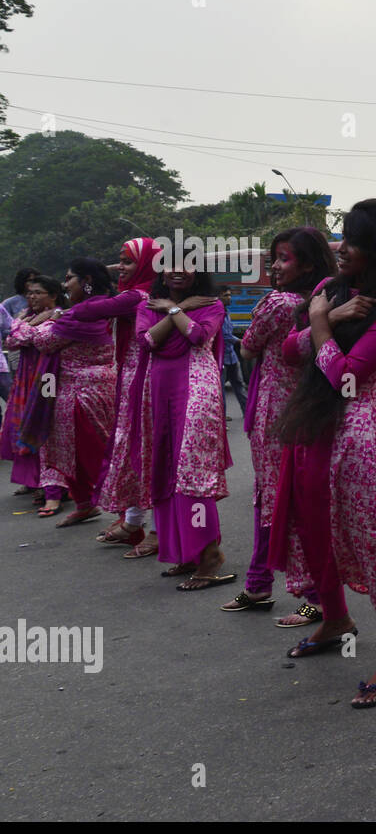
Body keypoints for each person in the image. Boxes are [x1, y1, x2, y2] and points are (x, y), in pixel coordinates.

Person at [269, 199, 376, 709]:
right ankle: (335, 619)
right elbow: (287, 352)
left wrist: (319, 324)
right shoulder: (330, 292)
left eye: (354, 242)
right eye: (343, 236)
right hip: (316, 430)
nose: (343, 248)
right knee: (315, 530)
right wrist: (329, 315)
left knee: (375, 540)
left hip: (359, 433)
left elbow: (344, 378)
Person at [219, 227, 330, 622]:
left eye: (285, 259)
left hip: (276, 413)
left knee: (280, 502)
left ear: (308, 264)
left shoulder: (278, 303)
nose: (276, 266)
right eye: (274, 258)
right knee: (284, 500)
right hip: (310, 408)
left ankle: (312, 598)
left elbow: (247, 346)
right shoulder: (323, 300)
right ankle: (259, 583)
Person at [136, 261, 234, 590]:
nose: (177, 271)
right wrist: (174, 311)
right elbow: (146, 341)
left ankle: (209, 556)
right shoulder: (148, 305)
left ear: (198, 272)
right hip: (160, 391)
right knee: (166, 468)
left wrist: (174, 309)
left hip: (196, 390)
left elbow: (197, 335)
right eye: (170, 266)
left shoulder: (213, 305)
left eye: (186, 265)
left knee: (193, 471)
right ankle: (185, 551)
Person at [6, 261, 117, 527]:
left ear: (86, 281)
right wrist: (36, 324)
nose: (65, 284)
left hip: (78, 391)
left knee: (86, 450)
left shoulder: (79, 315)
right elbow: (16, 342)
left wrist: (23, 324)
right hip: (83, 385)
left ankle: (125, 512)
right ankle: (84, 503)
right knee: (74, 449)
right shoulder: (98, 310)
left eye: (69, 279)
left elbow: (43, 341)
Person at [90, 238, 165, 557]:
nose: (121, 266)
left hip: (149, 382)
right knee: (133, 448)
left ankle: (159, 529)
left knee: (151, 451)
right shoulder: (138, 291)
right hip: (131, 378)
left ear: (148, 264)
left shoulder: (141, 295)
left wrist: (92, 277)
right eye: (119, 260)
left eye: (128, 261)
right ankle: (135, 520)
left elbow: (88, 309)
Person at [1, 275, 67, 506]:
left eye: (38, 292)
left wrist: (21, 325)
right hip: (26, 378)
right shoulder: (31, 316)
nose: (32, 297)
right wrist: (24, 324)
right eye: (29, 293)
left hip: (47, 378)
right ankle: (33, 480)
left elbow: (32, 338)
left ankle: (52, 484)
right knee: (23, 425)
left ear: (53, 295)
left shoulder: (59, 316)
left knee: (44, 423)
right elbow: (11, 341)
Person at [218, 288, 248, 417]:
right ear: (219, 297)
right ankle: (222, 418)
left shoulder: (227, 313)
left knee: (239, 385)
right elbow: (226, 337)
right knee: (221, 390)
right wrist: (242, 341)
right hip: (222, 357)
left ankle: (247, 413)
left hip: (232, 357)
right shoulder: (218, 314)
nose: (229, 298)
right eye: (226, 295)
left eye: (230, 295)